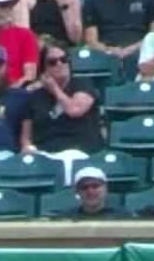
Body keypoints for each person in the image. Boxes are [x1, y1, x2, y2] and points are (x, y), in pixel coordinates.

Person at [21, 44, 105, 183]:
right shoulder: (34, 97)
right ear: (44, 69)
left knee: (68, 162)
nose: (59, 64)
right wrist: (28, 148)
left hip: (79, 152)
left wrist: (55, 89)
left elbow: (74, 110)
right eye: (52, 62)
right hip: (45, 154)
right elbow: (26, 137)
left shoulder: (82, 84)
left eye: (63, 59)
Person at [60, 166, 130, 218]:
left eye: (95, 186)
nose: (90, 191)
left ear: (105, 188)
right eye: (84, 187)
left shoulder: (123, 217)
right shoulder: (67, 218)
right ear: (77, 191)